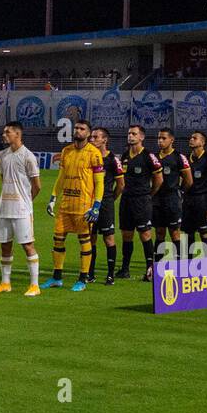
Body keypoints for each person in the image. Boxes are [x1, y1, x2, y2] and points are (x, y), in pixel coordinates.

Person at [42, 120, 104, 290]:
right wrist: (53, 197)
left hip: (83, 206)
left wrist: (96, 205)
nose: (78, 130)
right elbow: (61, 177)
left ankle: (83, 279)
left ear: (89, 133)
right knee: (58, 240)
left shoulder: (94, 153)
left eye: (82, 128)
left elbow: (99, 183)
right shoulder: (66, 151)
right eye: (76, 128)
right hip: (65, 205)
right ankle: (57, 277)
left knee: (84, 240)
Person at [0, 121, 42, 295]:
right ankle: (5, 283)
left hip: (22, 209)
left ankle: (34, 285)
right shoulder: (2, 155)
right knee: (5, 246)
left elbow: (37, 185)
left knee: (27, 245)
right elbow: (3, 178)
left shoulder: (28, 156)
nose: (4, 135)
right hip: (4, 207)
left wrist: (26, 201)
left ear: (17, 134)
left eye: (7, 132)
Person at [116, 125, 162, 280]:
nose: (130, 136)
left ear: (141, 137)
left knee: (145, 234)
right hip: (126, 200)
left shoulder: (149, 156)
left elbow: (158, 179)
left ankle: (150, 269)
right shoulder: (124, 156)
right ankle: (125, 268)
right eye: (129, 133)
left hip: (142, 201)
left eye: (134, 134)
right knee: (126, 235)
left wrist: (149, 193)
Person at [87, 127, 124, 285]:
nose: (92, 139)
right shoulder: (88, 156)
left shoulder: (112, 159)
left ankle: (110, 275)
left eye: (95, 137)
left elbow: (121, 185)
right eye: (91, 137)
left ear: (105, 140)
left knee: (109, 238)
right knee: (90, 238)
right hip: (89, 203)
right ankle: (90, 273)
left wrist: (109, 199)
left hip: (106, 203)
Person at [153, 128, 193, 261]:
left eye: (163, 138)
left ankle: (179, 264)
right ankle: (157, 265)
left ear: (171, 140)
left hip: (172, 200)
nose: (160, 141)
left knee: (175, 233)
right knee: (159, 232)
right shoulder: (154, 157)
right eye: (159, 138)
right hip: (157, 200)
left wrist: (180, 191)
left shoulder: (179, 157)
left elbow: (189, 180)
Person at [182, 131, 207, 258]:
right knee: (188, 233)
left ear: (202, 142)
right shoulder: (185, 158)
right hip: (187, 200)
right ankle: (188, 263)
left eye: (195, 138)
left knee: (204, 232)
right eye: (191, 137)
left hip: (202, 200)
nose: (191, 139)